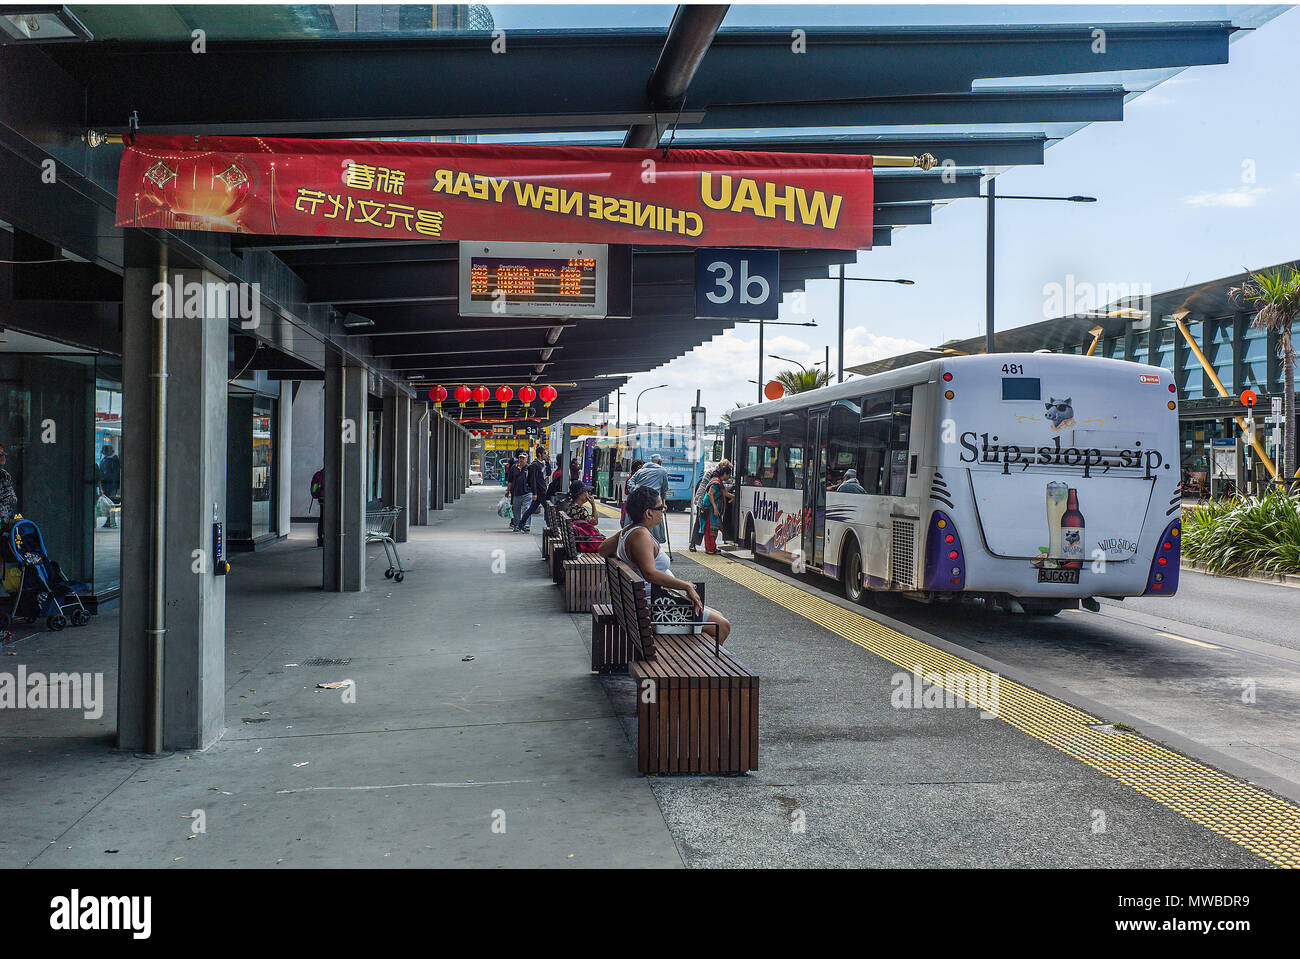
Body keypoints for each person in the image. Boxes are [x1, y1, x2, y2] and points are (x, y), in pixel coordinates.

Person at [598, 486, 731, 646]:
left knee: (718, 617)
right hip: (656, 608)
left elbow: (602, 549)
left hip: (651, 603)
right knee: (723, 626)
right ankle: (696, 665)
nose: (664, 509)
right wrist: (686, 586)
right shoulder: (641, 536)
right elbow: (650, 574)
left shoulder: (631, 530)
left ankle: (692, 657)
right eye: (660, 507)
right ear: (648, 513)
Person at [626, 453, 670, 544]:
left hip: (639, 501)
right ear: (660, 462)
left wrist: (636, 490)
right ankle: (652, 545)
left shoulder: (641, 471)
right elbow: (665, 489)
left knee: (639, 522)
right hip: (654, 501)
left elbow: (630, 482)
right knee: (653, 524)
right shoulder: (662, 471)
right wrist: (663, 502)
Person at [689, 458, 731, 552]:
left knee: (711, 524)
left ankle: (711, 545)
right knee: (701, 522)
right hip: (704, 500)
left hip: (709, 501)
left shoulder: (718, 474)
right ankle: (694, 544)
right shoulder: (713, 473)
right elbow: (712, 489)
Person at [515, 447, 550, 533]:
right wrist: (534, 493)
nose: (546, 455)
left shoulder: (543, 463)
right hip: (539, 491)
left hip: (542, 490)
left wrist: (548, 463)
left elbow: (548, 473)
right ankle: (550, 526)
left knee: (531, 509)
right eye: (544, 453)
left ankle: (521, 524)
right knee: (547, 508)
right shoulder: (534, 465)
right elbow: (533, 480)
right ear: (539, 454)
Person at [567, 480, 602, 551]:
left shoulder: (571, 507)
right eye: (585, 492)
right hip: (581, 544)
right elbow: (595, 522)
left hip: (574, 541)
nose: (588, 494)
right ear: (580, 495)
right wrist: (593, 504)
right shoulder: (580, 510)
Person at [505, 452, 530, 531]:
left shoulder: (529, 468)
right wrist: (507, 490)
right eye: (520, 458)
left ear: (526, 459)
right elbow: (510, 480)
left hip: (527, 492)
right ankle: (517, 525)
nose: (521, 460)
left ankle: (526, 524)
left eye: (523, 458)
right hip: (516, 492)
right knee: (516, 510)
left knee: (526, 508)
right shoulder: (513, 468)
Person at [98, 445, 121, 529]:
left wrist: (115, 487)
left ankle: (111, 521)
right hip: (105, 484)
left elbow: (115, 474)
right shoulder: (105, 459)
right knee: (108, 504)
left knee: (111, 504)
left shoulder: (113, 460)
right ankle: (109, 521)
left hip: (110, 485)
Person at [620, 458, 644, 528]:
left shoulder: (630, 478)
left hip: (630, 503)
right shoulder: (639, 478)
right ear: (638, 468)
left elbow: (626, 491)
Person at [0, 444, 17, 527]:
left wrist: (12, 521)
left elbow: (12, 499)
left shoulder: (5, 474)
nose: (3, 456)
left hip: (5, 524)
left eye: (3, 454)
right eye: (0, 454)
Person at [310, 466, 325, 546]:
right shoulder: (329, 473)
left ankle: (320, 539)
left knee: (322, 518)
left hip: (321, 499)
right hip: (328, 499)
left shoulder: (319, 474)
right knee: (327, 519)